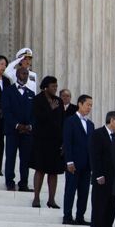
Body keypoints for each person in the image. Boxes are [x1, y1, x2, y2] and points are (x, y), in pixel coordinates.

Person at [29, 76, 65, 210]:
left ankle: (51, 199)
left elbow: (62, 121)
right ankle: (36, 198)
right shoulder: (37, 99)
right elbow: (37, 118)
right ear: (46, 87)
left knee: (53, 171)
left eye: (56, 86)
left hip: (55, 141)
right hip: (41, 140)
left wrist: (64, 141)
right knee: (40, 169)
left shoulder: (59, 101)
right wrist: (50, 108)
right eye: (53, 86)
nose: (55, 88)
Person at [86, 111, 115, 227]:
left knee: (111, 209)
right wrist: (98, 174)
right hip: (101, 179)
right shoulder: (98, 134)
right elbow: (94, 156)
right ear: (112, 120)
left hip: (113, 180)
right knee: (99, 208)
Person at [60, 95, 93, 225]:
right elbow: (67, 142)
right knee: (70, 190)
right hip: (73, 163)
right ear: (80, 104)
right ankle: (67, 216)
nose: (89, 107)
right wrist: (69, 161)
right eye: (88, 104)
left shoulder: (90, 124)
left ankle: (80, 216)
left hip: (87, 164)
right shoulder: (70, 121)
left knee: (84, 192)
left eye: (91, 105)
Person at [1, 65, 34, 192]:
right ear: (17, 75)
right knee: (11, 157)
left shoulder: (31, 93)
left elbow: (33, 114)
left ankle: (23, 183)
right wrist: (16, 125)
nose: (25, 76)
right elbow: (6, 111)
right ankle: (9, 182)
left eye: (27, 74)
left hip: (26, 132)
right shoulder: (8, 91)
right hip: (12, 131)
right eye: (23, 73)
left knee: (25, 159)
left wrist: (29, 126)